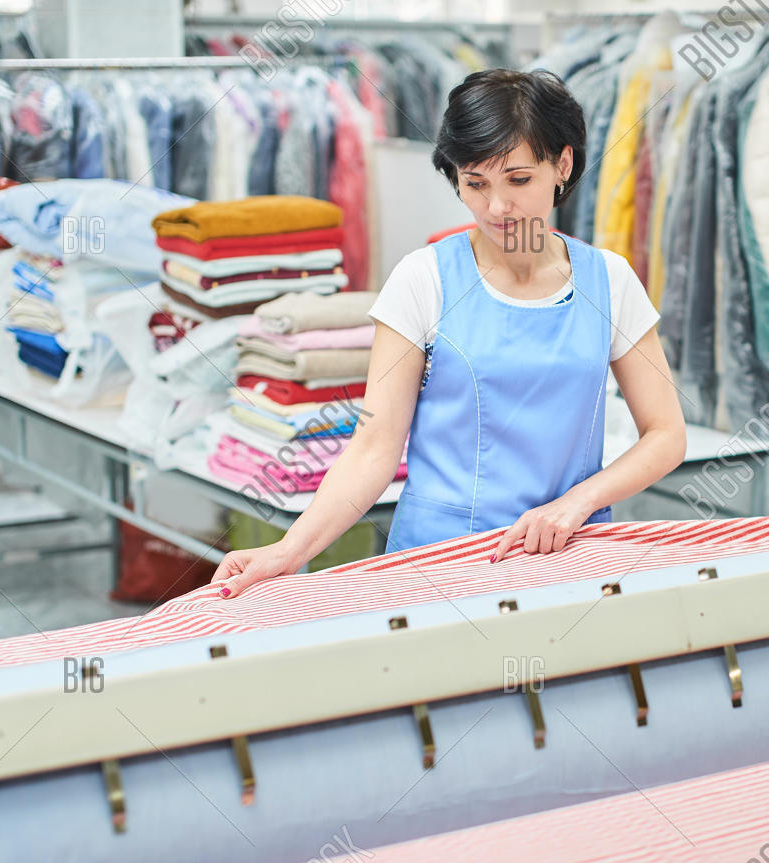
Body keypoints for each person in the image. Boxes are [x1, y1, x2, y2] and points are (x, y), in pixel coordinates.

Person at [212, 68, 686, 599]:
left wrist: (577, 502)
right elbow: (374, 446)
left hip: (571, 561)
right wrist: (289, 550)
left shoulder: (611, 281)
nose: (497, 207)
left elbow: (666, 434)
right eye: (475, 184)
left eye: (518, 180)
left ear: (563, 164)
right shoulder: (424, 279)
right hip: (439, 567)